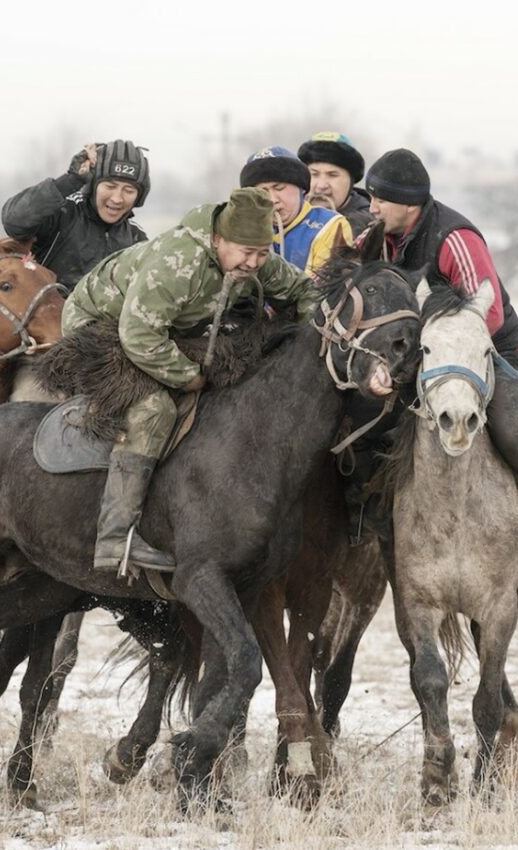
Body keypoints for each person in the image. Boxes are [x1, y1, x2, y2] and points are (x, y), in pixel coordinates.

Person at [62, 188, 320, 573]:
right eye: (245, 252)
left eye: (262, 253)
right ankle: (115, 538)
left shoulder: (253, 258)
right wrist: (188, 377)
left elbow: (303, 290)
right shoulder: (178, 263)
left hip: (171, 328)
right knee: (154, 409)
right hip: (102, 326)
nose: (253, 263)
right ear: (218, 240)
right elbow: (140, 336)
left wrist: (308, 346)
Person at [363, 148, 518, 565]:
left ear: (408, 203)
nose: (372, 207)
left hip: (489, 349)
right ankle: (370, 508)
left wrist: (430, 345)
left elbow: (486, 311)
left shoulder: (455, 238)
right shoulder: (378, 239)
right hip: (419, 354)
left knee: (512, 424)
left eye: (379, 199)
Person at [2, 139, 149, 291]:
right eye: (110, 186)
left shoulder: (137, 239)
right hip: (50, 311)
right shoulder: (63, 215)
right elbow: (14, 221)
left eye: (129, 190)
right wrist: (71, 181)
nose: (117, 198)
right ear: (93, 186)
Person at [239, 146, 352, 276]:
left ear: (301, 188)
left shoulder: (328, 225)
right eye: (262, 191)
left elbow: (320, 287)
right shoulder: (242, 227)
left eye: (279, 188)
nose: (272, 199)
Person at [298, 131, 373, 236]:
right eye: (314, 174)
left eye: (332, 175)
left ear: (351, 181)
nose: (321, 186)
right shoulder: (285, 217)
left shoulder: (368, 228)